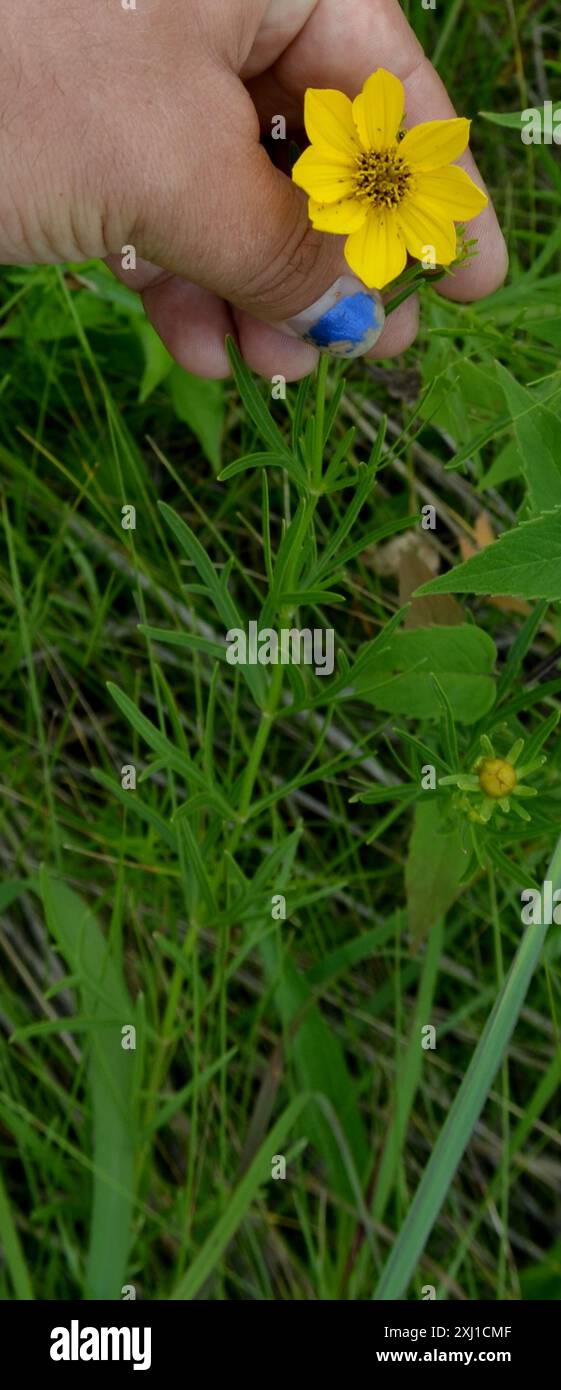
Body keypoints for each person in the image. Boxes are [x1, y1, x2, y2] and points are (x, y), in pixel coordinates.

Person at [0, 0, 507, 380]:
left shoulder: (430, 212)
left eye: (387, 178)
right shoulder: (340, 133)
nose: (386, 178)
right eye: (385, 173)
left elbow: (420, 242)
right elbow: (315, 179)